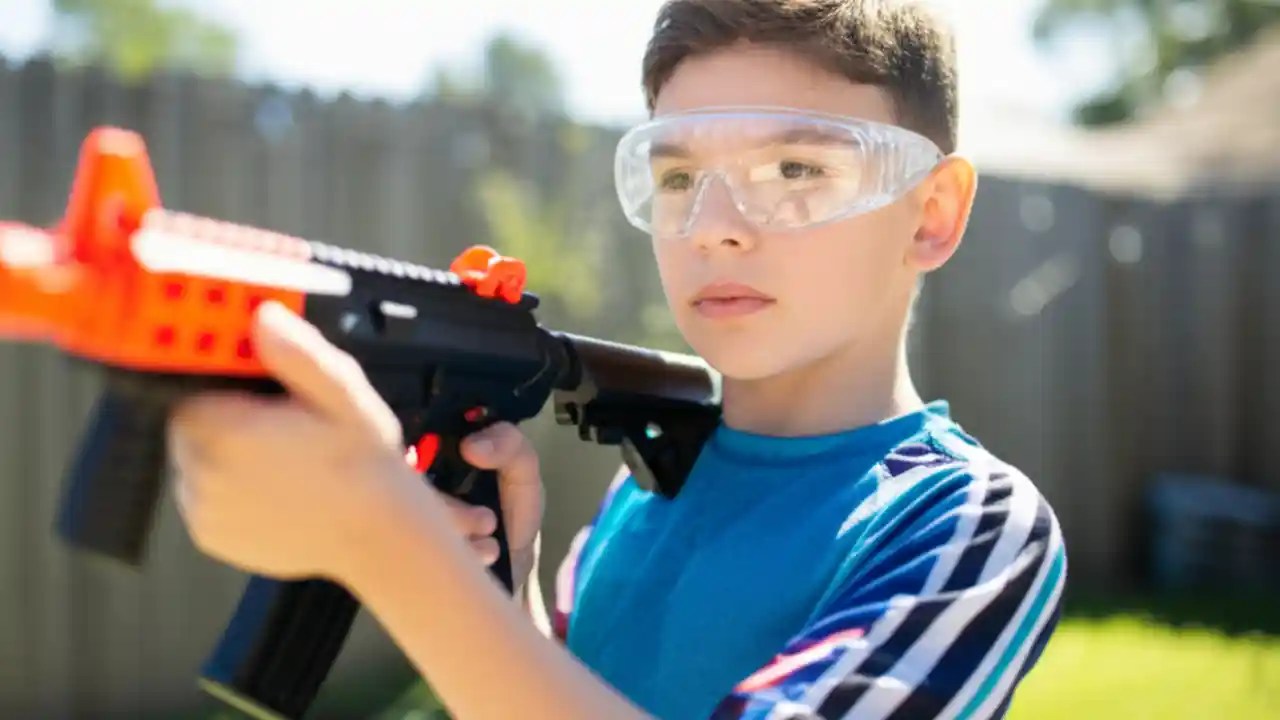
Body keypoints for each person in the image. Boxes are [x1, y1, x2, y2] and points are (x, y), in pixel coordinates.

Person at [166, 1, 1067, 718]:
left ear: (933, 213)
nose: (714, 224)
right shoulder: (648, 482)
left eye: (796, 171)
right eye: (677, 178)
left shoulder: (971, 526)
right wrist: (504, 597)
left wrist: (387, 545)